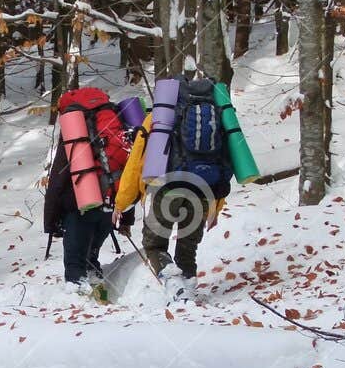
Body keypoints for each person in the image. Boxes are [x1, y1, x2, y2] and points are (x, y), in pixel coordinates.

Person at [130, 77, 232, 301]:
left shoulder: (160, 118)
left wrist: (122, 203)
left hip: (168, 188)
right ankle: (188, 287)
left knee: (154, 243)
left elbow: (136, 163)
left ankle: (173, 284)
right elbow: (226, 160)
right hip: (204, 189)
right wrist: (216, 205)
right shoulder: (219, 116)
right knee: (187, 245)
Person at [43, 87, 132, 292]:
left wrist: (51, 222)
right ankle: (96, 286)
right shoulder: (114, 118)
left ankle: (78, 294)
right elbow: (125, 166)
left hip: (81, 203)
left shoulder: (74, 126)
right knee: (91, 254)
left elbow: (59, 176)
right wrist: (126, 216)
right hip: (110, 201)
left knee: (75, 261)